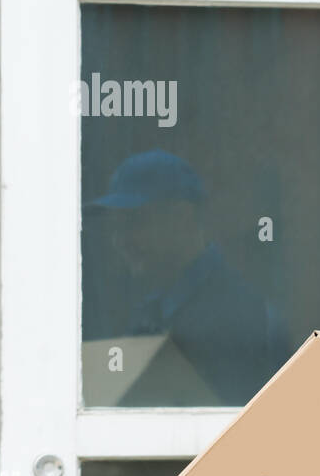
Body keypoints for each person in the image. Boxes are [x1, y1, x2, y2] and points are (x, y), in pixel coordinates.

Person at [84, 149, 290, 406]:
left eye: (134, 222)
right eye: (116, 226)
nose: (120, 240)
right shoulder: (151, 311)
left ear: (182, 218)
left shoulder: (239, 316)